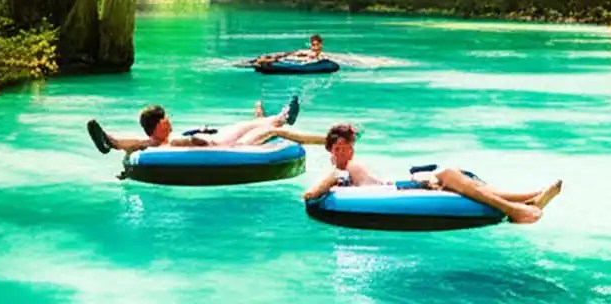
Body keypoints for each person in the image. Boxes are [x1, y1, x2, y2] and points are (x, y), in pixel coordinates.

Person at [302, 123, 562, 225]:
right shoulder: (341, 169)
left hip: (409, 186)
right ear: (336, 147)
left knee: (457, 177)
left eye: (351, 146)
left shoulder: (349, 166)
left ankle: (528, 199)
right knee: (448, 173)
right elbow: (312, 193)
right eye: (346, 146)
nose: (350, 150)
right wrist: (323, 185)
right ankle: (519, 208)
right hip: (405, 191)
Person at [86, 96, 326, 155]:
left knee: (250, 123)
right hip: (230, 146)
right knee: (270, 130)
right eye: (166, 118)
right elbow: (143, 144)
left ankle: (283, 115)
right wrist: (196, 139)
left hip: (221, 137)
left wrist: (200, 133)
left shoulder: (163, 139)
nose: (169, 120)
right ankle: (327, 140)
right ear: (160, 123)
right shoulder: (161, 142)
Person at [255, 34, 325, 65]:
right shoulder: (313, 50)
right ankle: (262, 58)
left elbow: (313, 56)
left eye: (316, 44)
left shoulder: (317, 52)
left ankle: (262, 61)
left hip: (297, 56)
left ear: (320, 43)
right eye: (313, 44)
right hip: (295, 53)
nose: (315, 46)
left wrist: (303, 54)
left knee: (280, 59)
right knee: (280, 54)